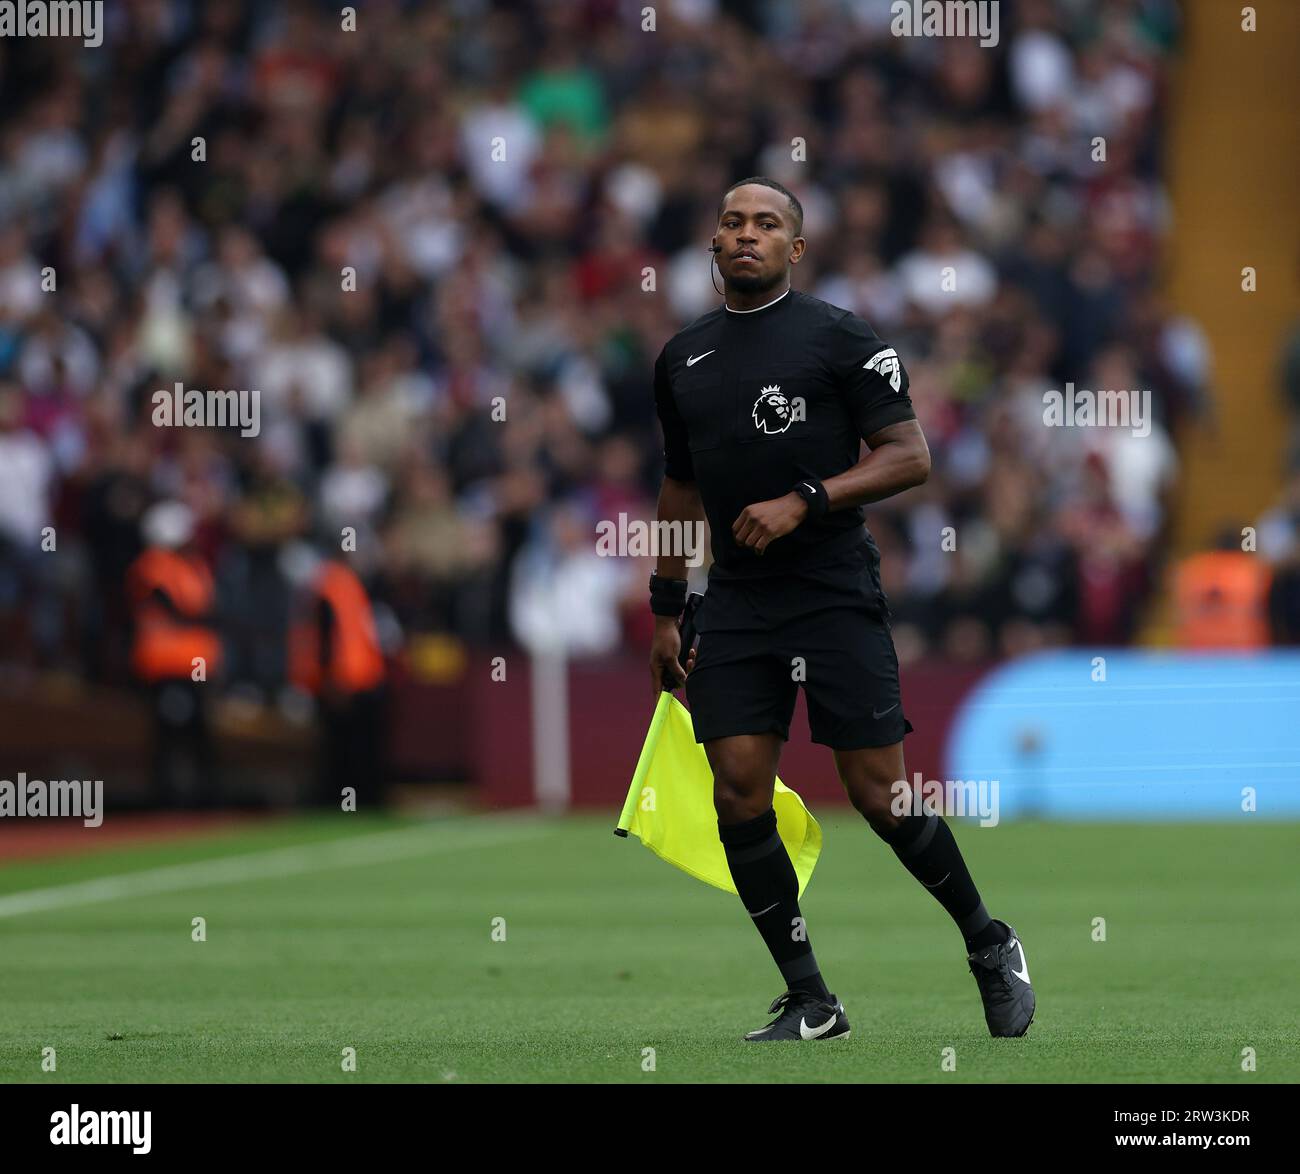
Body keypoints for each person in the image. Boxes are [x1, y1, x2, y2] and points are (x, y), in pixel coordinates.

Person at [648, 178, 1035, 1041]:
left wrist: (808, 498)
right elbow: (678, 487)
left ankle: (988, 941)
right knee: (738, 792)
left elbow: (910, 455)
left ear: (797, 247)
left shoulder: (839, 337)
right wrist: (667, 609)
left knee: (880, 795)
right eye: (733, 222)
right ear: (712, 244)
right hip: (739, 601)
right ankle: (812, 999)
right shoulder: (683, 359)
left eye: (767, 224)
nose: (747, 235)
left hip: (830, 588)